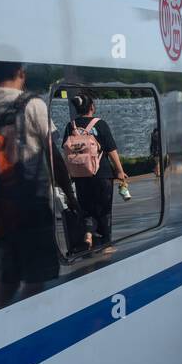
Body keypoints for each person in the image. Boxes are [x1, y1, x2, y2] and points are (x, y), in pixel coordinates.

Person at [0, 62, 76, 304]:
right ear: (20, 73)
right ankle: (28, 319)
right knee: (36, 274)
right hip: (31, 201)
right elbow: (52, 152)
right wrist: (68, 190)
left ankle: (5, 311)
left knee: (8, 271)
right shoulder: (32, 104)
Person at [63, 92, 129, 253]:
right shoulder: (100, 124)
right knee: (104, 209)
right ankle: (106, 244)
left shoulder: (70, 126)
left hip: (79, 175)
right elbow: (111, 149)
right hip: (101, 174)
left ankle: (88, 236)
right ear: (92, 107)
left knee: (86, 208)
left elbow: (66, 151)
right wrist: (120, 171)